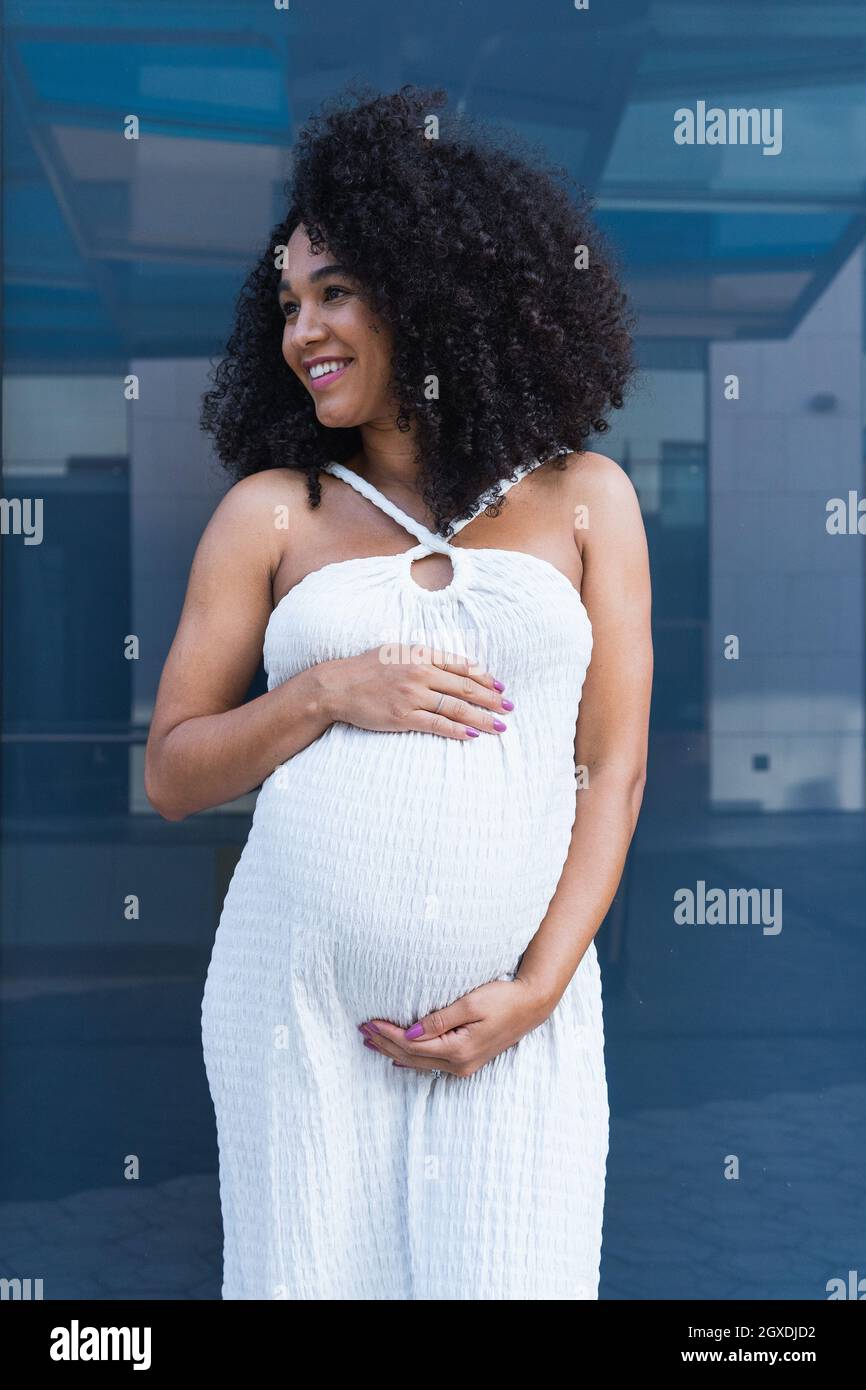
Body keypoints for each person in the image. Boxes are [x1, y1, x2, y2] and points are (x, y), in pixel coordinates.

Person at [145, 83, 652, 1300]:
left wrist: (534, 988)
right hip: (296, 1017)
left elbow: (613, 766)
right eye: (286, 303)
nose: (301, 330)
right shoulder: (271, 512)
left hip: (510, 1023)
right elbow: (171, 772)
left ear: (432, 293)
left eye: (335, 292)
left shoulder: (586, 496)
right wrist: (323, 690)